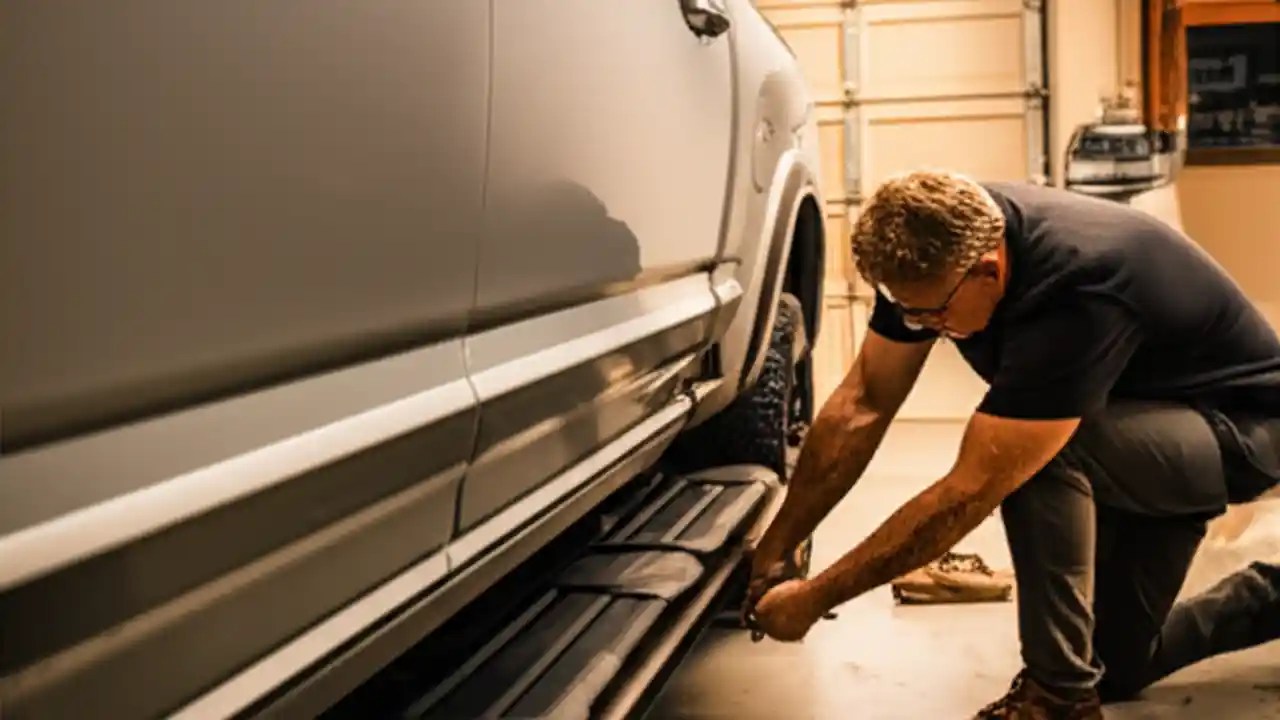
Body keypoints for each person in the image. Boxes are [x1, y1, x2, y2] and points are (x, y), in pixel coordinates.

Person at [741, 170, 1280, 719]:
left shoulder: (1077, 290)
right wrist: (778, 546)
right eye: (906, 310)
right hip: (1137, 423)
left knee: (1026, 455)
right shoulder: (931, 249)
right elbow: (865, 403)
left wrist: (815, 599)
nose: (921, 326)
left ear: (989, 270)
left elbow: (971, 488)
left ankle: (1058, 698)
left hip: (1239, 430)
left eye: (933, 315)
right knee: (1118, 666)